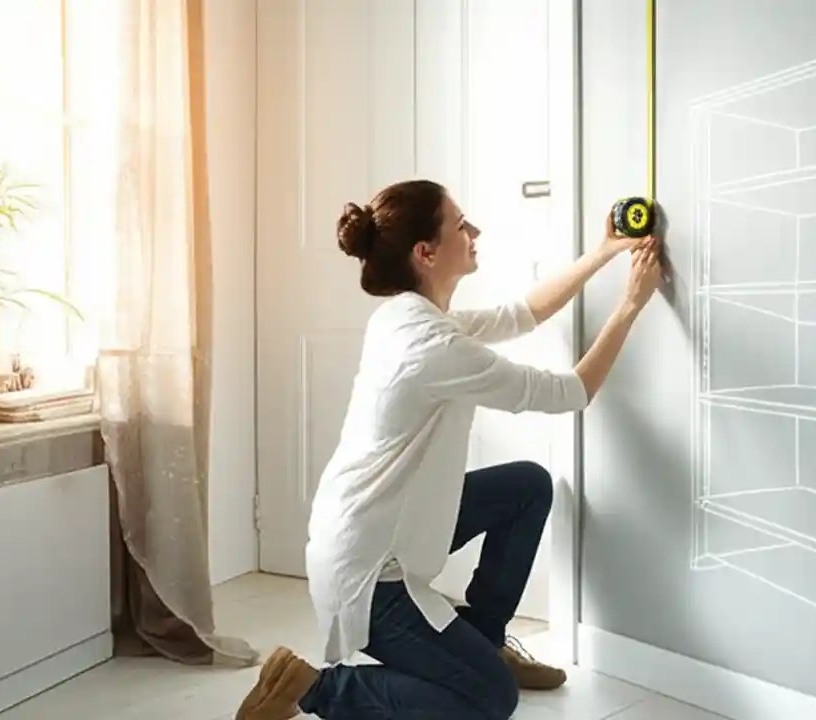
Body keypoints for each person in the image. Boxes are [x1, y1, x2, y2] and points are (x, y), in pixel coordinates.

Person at [235, 179, 664, 720]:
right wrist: (630, 305)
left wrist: (603, 252)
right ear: (426, 252)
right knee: (488, 701)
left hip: (369, 528)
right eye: (461, 224)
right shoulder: (432, 346)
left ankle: (484, 644)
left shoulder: (411, 316)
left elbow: (522, 314)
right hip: (372, 574)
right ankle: (315, 689)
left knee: (526, 486)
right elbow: (571, 392)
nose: (474, 230)